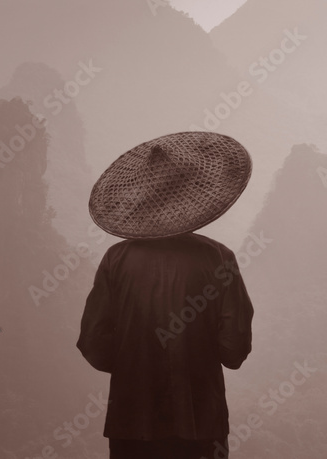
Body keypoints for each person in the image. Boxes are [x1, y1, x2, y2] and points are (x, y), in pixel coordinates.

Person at [78, 131, 255, 459]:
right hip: (201, 427)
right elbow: (234, 349)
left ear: (141, 198)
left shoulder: (116, 260)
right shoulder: (219, 259)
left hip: (130, 425)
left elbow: (93, 344)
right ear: (195, 193)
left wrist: (136, 366)